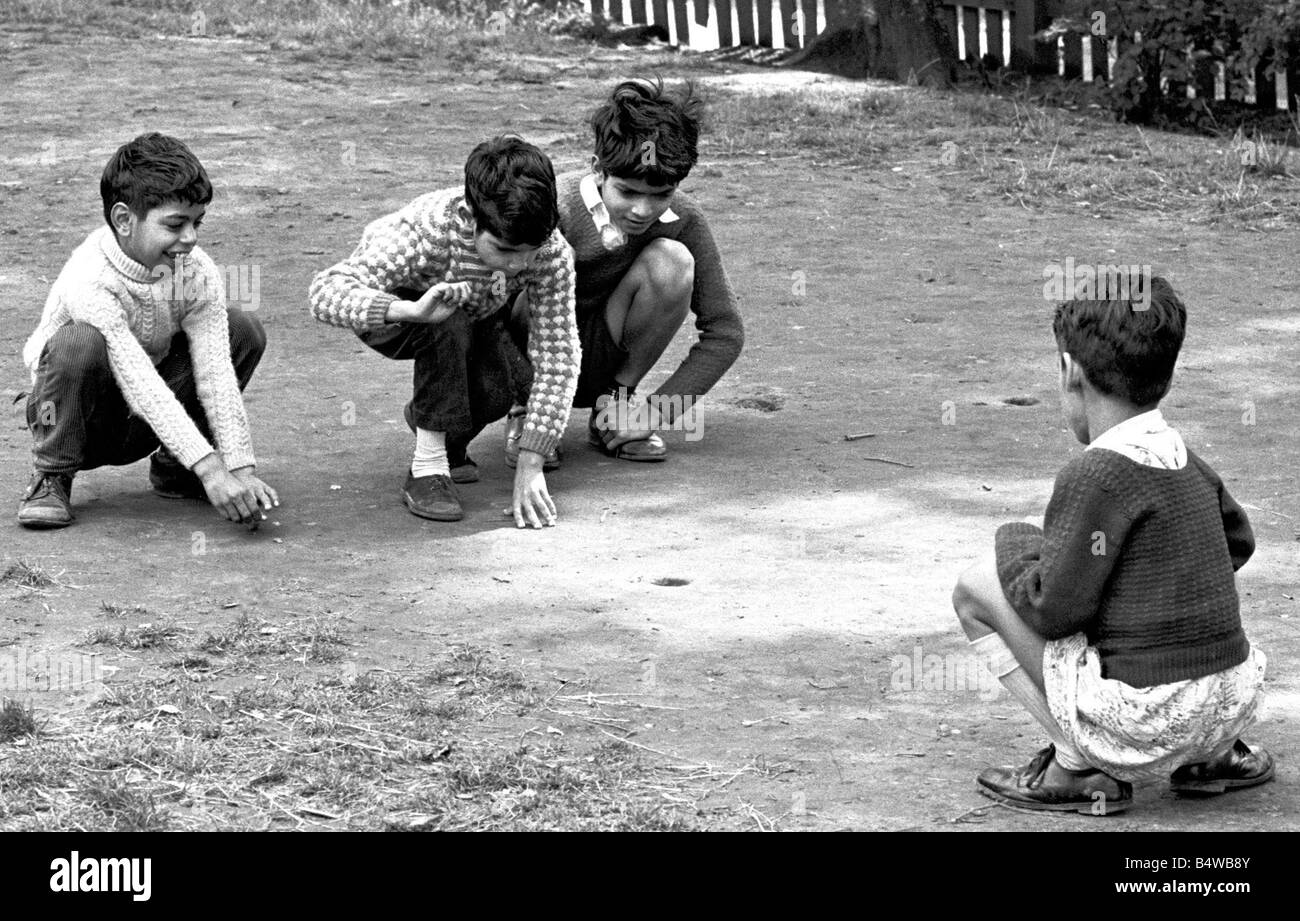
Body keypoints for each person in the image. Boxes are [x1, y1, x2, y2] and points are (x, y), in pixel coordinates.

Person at [951, 276, 1272, 815]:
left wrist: (1017, 541)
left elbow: (1054, 610)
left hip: (1147, 723)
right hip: (1230, 705)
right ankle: (1215, 759)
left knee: (975, 586)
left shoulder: (1096, 475)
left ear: (1070, 371)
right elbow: (1236, 542)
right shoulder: (1182, 457)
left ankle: (1076, 766)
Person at [309, 136, 579, 528]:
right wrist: (410, 310)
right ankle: (427, 469)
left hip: (476, 314)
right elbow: (325, 291)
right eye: (505, 250)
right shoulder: (426, 228)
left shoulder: (551, 252)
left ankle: (443, 438)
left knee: (500, 391)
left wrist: (531, 463)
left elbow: (559, 356)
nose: (519, 264)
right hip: (394, 312)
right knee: (446, 320)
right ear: (471, 218)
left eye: (530, 250)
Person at [18, 132, 277, 530]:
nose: (190, 238)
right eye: (175, 224)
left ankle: (177, 470)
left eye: (196, 222)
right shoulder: (90, 276)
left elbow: (216, 373)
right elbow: (137, 379)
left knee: (241, 329)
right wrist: (211, 468)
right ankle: (51, 475)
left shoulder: (195, 270)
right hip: (81, 418)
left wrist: (239, 467)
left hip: (146, 418)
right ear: (124, 220)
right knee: (78, 342)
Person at [506, 77, 743, 465]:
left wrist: (657, 411)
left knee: (673, 261)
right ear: (598, 170)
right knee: (532, 273)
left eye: (661, 194)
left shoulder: (685, 218)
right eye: (628, 192)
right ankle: (527, 411)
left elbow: (725, 332)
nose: (642, 210)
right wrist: (522, 394)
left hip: (605, 352)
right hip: (535, 352)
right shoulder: (552, 206)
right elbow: (491, 314)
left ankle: (613, 407)